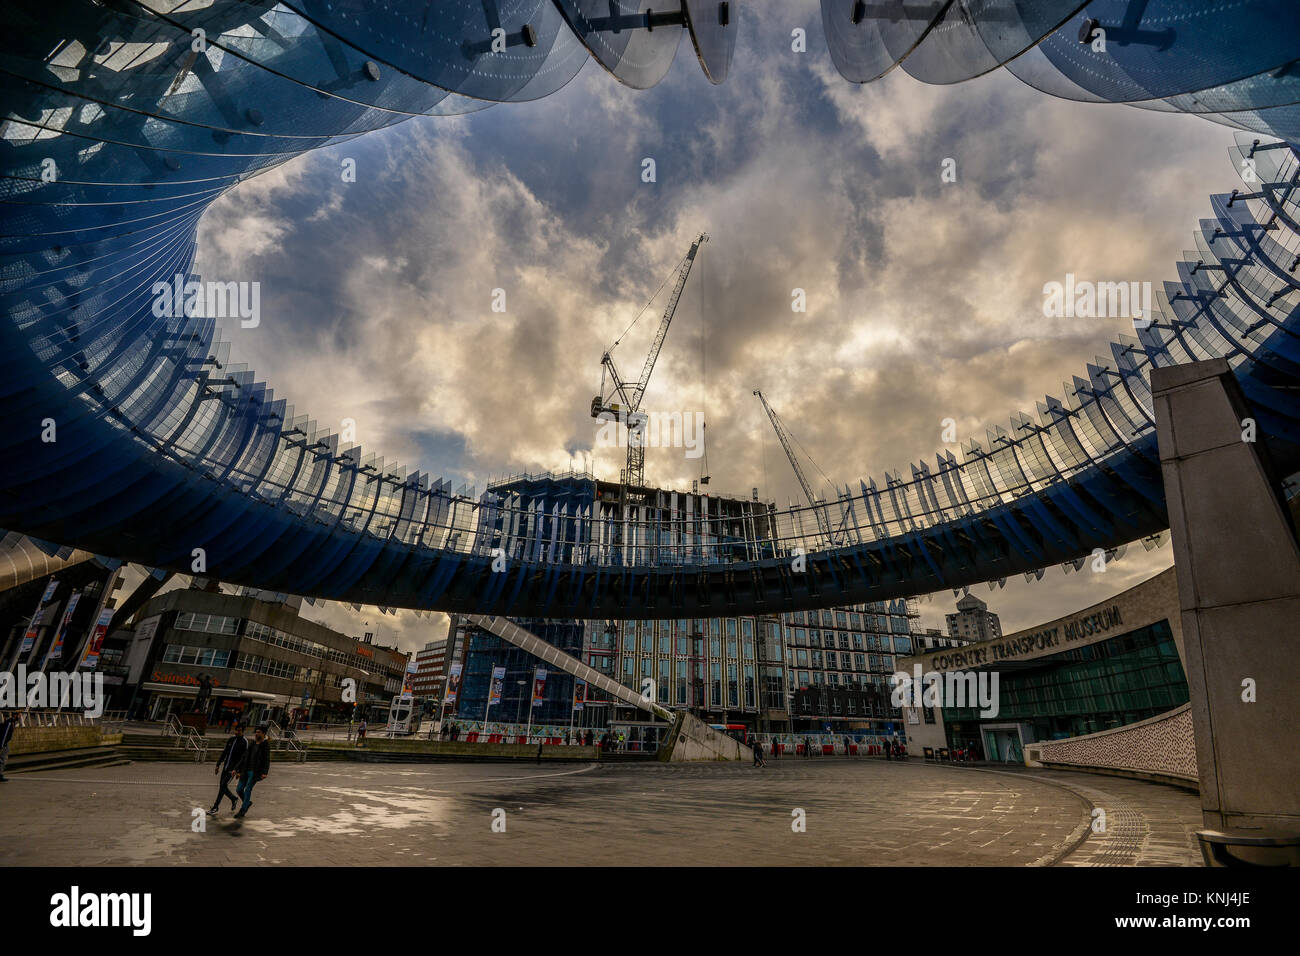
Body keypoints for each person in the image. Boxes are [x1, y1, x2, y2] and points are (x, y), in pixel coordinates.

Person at [209, 722, 248, 816]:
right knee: (222, 786)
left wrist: (239, 771)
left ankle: (215, 807)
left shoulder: (244, 742)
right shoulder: (231, 739)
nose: (237, 732)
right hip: (225, 767)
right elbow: (225, 752)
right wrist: (218, 764)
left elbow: (244, 758)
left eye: (239, 731)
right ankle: (233, 799)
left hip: (233, 769)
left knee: (223, 785)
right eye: (236, 730)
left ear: (242, 731)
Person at [233, 725, 272, 819]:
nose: (256, 734)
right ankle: (247, 803)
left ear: (263, 734)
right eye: (256, 732)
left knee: (248, 790)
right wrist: (236, 768)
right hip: (246, 770)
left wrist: (265, 772)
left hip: (255, 772)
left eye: (258, 732)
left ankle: (243, 810)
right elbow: (244, 756)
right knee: (239, 789)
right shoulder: (252, 743)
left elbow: (267, 759)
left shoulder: (265, 745)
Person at [0, 710, 16, 782]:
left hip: (5, 743)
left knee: (3, 759)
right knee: (3, 759)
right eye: (19, 715)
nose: (20, 716)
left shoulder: (12, 722)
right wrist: (2, 745)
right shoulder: (9, 722)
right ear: (15, 715)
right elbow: (5, 734)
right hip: (3, 744)